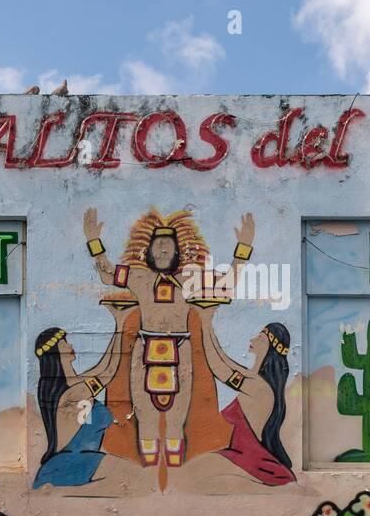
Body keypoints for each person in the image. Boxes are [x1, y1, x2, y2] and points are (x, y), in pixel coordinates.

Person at [82, 207, 253, 471]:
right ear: (148, 251)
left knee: (176, 419)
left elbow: (227, 281)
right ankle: (148, 475)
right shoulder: (139, 277)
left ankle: (175, 479)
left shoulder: (190, 279)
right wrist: (93, 241)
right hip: (143, 352)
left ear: (177, 252)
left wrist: (243, 247)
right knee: (145, 415)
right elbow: (107, 273)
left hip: (180, 351)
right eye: (158, 245)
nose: (162, 250)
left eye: (168, 246)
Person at [31, 306, 129, 488]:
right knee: (137, 476)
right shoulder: (73, 394)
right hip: (71, 464)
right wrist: (121, 325)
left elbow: (103, 365)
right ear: (57, 353)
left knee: (134, 476)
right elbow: (107, 372)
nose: (70, 346)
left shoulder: (76, 384)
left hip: (83, 460)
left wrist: (120, 325)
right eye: (65, 343)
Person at [196, 306, 295, 485]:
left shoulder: (258, 387)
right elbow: (223, 359)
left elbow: (219, 368)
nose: (253, 339)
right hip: (236, 456)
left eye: (260, 337)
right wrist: (206, 323)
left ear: (268, 345)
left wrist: (204, 322)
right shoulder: (253, 379)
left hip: (247, 461)